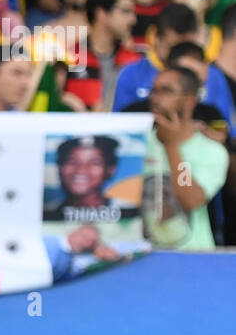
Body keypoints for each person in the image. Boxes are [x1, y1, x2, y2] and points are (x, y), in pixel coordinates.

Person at [142, 65, 230, 249]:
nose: (155, 98)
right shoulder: (136, 144)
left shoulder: (212, 151)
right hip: (142, 256)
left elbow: (191, 200)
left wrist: (172, 147)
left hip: (193, 257)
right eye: (153, 90)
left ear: (190, 100)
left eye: (166, 91)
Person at [44, 136, 139, 224]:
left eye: (95, 163)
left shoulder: (128, 211)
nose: (81, 170)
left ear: (110, 169)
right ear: (60, 167)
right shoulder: (46, 211)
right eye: (72, 161)